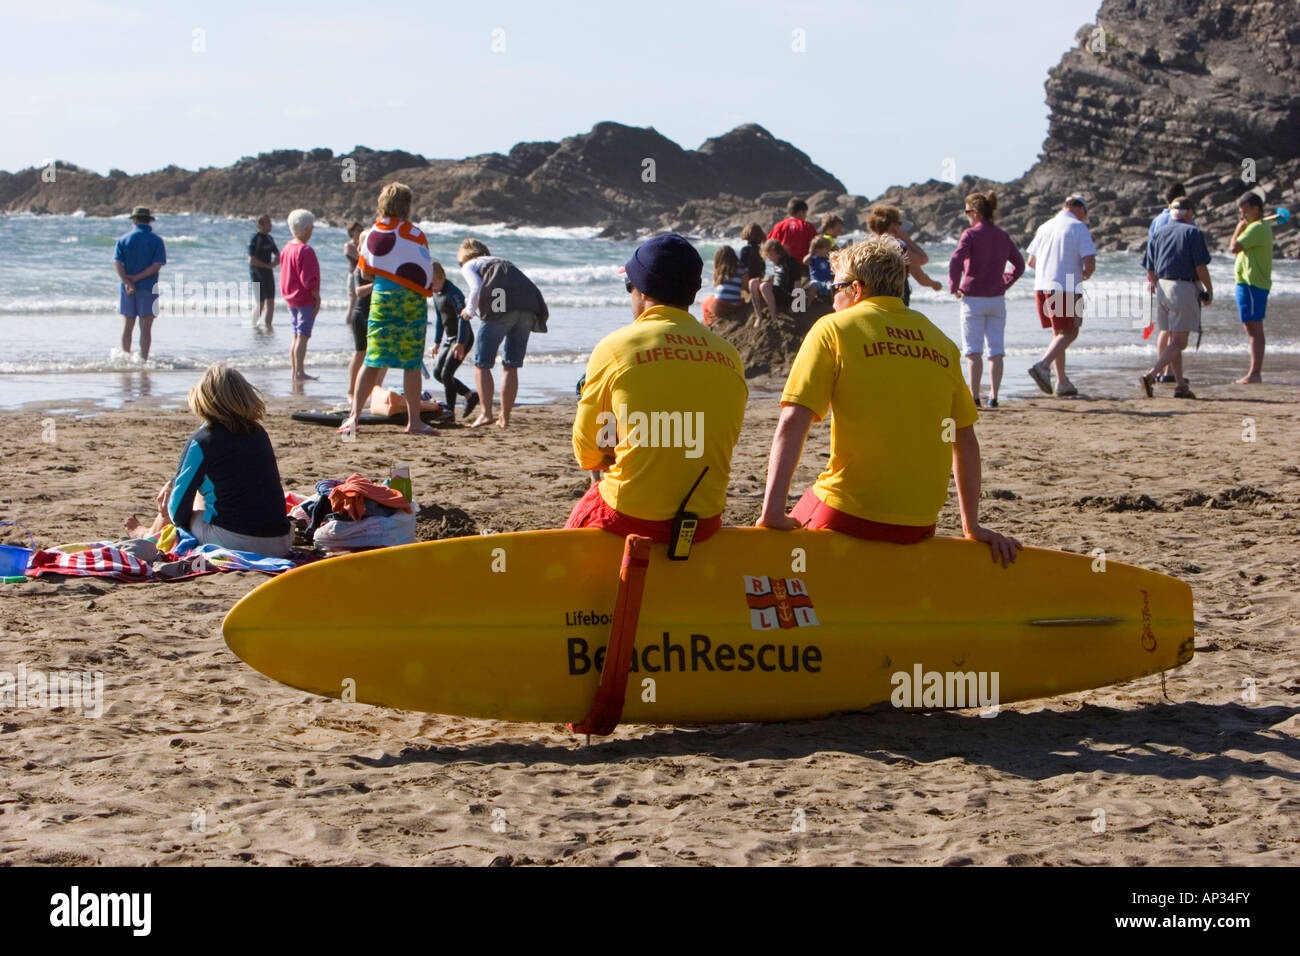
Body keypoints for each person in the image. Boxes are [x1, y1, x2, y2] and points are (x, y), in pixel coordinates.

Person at [756, 235, 1019, 566]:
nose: (831, 296)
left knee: (776, 548)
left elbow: (794, 420)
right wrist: (972, 525)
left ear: (857, 289)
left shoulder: (832, 329)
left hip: (850, 513)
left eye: (835, 287)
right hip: (919, 524)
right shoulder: (942, 343)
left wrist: (772, 513)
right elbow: (965, 440)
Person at [568, 234, 747, 542]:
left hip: (632, 517)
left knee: (587, 510)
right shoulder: (728, 354)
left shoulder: (614, 348)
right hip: (703, 520)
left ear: (642, 292)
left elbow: (587, 454)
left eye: (629, 287)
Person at [124, 363, 292, 557]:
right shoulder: (258, 432)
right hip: (281, 541)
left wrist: (172, 494)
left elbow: (177, 511)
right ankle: (151, 531)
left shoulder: (203, 439)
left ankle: (149, 534)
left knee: (193, 495)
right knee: (208, 485)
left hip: (240, 542)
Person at [344, 182, 437, 436]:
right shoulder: (416, 234)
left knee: (373, 358)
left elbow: (364, 272)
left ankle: (353, 418)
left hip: (383, 299)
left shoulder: (374, 232)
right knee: (411, 362)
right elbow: (423, 270)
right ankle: (414, 422)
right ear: (407, 206)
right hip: (410, 302)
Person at [458, 238, 549, 429]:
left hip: (500, 310)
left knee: (481, 364)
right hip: (527, 308)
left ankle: (485, 413)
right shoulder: (503, 262)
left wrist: (469, 311)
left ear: (465, 256)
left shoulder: (469, 265)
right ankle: (504, 418)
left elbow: (476, 288)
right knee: (511, 365)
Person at [948, 191, 1025, 407]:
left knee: (973, 350)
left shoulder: (970, 235)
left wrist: (954, 286)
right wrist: (1005, 282)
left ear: (975, 213)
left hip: (973, 297)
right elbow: (1019, 265)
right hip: (996, 298)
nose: (966, 216)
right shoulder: (1002, 235)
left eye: (967, 212)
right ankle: (994, 396)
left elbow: (955, 261)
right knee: (996, 350)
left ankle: (974, 396)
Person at [1139, 197, 1211, 400]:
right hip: (1182, 287)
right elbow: (1200, 267)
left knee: (1172, 339)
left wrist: (1155, 284)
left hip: (1162, 286)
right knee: (1179, 342)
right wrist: (1208, 290)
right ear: (1189, 213)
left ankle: (1180, 386)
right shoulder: (1193, 232)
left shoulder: (1158, 233)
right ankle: (1151, 375)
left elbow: (1149, 266)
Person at [1025, 195, 1096, 397]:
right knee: (1070, 333)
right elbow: (1089, 259)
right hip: (1066, 286)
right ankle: (1043, 365)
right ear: (1080, 209)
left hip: (1042, 287)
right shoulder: (1078, 227)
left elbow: (1031, 262)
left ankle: (1062, 382)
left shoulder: (1045, 226)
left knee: (1058, 334)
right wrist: (1086, 274)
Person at [113, 206, 167, 361]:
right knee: (146, 329)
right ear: (149, 221)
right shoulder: (156, 240)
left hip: (127, 288)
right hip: (148, 288)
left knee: (127, 326)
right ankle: (143, 360)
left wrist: (127, 281)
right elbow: (157, 265)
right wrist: (137, 278)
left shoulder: (123, 240)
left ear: (134, 220)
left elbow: (117, 263)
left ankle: (125, 358)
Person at [1229, 191, 1273, 384]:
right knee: (1250, 326)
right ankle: (1254, 372)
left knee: (1254, 327)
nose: (1242, 216)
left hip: (1253, 283)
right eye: (1240, 213)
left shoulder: (1257, 228)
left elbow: (1234, 247)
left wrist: (1238, 229)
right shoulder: (1255, 226)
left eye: (1245, 211)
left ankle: (1255, 373)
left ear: (1256, 209)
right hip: (1247, 282)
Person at [1146, 183, 1186, 382]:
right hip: (1177, 278)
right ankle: (1165, 372)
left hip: (1159, 277)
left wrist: (1150, 278)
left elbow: (1150, 251)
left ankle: (1162, 372)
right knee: (1177, 332)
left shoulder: (1156, 221)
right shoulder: (1183, 220)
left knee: (1165, 328)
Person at [430, 261, 478, 420]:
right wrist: (437, 342)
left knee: (446, 374)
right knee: (438, 373)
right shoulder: (436, 294)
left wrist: (461, 343)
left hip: (462, 337)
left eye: (433, 282)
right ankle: (470, 395)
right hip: (449, 338)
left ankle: (449, 413)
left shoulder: (453, 293)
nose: (431, 287)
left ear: (441, 276)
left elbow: (463, 318)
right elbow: (439, 318)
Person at [867, 204, 941, 305]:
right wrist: (906, 239)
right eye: (900, 224)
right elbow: (923, 259)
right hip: (895, 299)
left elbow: (919, 275)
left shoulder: (869, 245)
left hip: (873, 298)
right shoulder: (895, 246)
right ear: (893, 226)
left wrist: (933, 284)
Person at [279, 209, 320, 383]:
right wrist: (316, 296)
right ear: (304, 229)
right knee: (303, 335)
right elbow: (308, 279)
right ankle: (299, 371)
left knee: (296, 335)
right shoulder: (305, 250)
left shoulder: (287, 248)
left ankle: (296, 370)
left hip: (290, 297)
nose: (312, 230)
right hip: (303, 298)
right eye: (311, 227)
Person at [344, 256, 381, 406]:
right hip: (361, 313)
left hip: (377, 313)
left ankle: (375, 391)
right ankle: (351, 391)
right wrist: (378, 284)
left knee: (379, 355)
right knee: (360, 352)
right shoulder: (360, 267)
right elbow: (359, 291)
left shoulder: (380, 266)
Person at [752, 238, 802, 323]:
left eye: (771, 254)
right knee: (753, 282)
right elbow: (775, 279)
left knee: (764, 286)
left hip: (787, 295)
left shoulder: (790, 262)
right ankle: (759, 316)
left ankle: (774, 316)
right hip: (777, 292)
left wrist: (794, 305)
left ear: (779, 253)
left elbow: (797, 283)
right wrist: (763, 280)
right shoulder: (775, 263)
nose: (769, 257)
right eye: (767, 255)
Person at [767, 198, 820, 273]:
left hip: (783, 269)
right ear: (801, 212)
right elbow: (817, 246)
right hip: (802, 269)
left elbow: (769, 245)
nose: (805, 216)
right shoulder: (807, 226)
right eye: (805, 213)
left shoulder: (779, 226)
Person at [701, 246, 747, 325]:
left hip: (719, 307)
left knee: (705, 303)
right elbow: (744, 286)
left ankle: (708, 323)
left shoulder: (720, 270)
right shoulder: (742, 268)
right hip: (735, 305)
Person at [247, 214, 279, 329]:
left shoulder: (270, 239)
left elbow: (278, 255)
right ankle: (253, 326)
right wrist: (266, 265)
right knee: (260, 303)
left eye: (271, 222)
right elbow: (251, 259)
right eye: (268, 223)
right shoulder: (255, 238)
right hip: (257, 273)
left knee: (271, 302)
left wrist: (274, 264)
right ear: (260, 225)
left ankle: (268, 328)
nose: (271, 225)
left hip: (268, 273)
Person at [739, 222, 767, 305]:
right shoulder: (761, 251)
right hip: (758, 281)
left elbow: (741, 268)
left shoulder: (744, 250)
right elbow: (763, 269)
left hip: (747, 283)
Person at [343, 221, 363, 324]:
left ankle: (355, 323)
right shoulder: (349, 245)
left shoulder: (363, 245)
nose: (360, 232)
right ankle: (348, 324)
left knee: (359, 304)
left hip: (361, 276)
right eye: (358, 230)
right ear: (352, 232)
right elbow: (357, 259)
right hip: (353, 276)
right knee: (352, 302)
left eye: (361, 230)